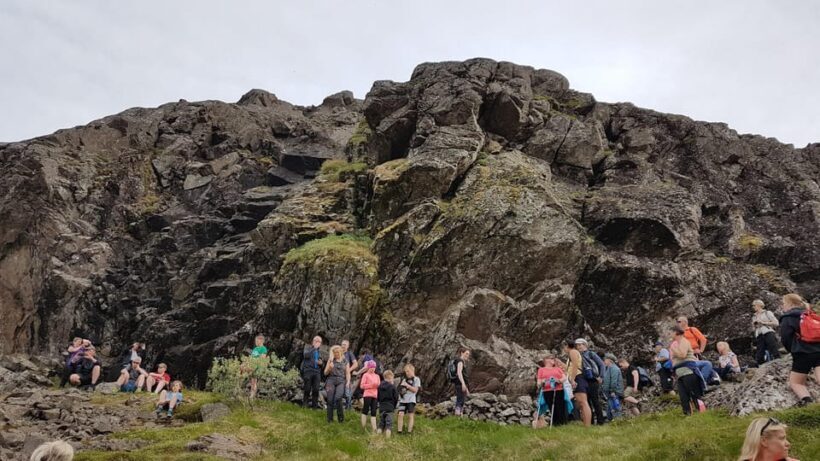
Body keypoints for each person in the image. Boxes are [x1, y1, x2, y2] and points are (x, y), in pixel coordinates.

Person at [779, 293, 820, 406]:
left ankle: (808, 402)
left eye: (783, 303)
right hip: (818, 350)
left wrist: (792, 349)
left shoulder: (788, 317)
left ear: (789, 304)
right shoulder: (809, 314)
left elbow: (785, 338)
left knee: (796, 382)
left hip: (802, 353)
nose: (782, 306)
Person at [670, 326, 703, 415]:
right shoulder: (677, 343)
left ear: (676, 332)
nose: (670, 334)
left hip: (688, 371)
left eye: (671, 332)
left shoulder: (684, 341)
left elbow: (683, 355)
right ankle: (688, 415)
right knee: (683, 396)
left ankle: (702, 412)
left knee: (694, 394)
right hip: (680, 373)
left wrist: (673, 349)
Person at [575, 338, 606, 425]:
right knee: (587, 402)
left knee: (595, 401)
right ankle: (590, 422)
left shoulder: (591, 354)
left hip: (593, 380)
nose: (579, 346)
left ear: (585, 345)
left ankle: (600, 422)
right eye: (578, 345)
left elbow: (601, 364)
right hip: (583, 380)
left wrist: (601, 377)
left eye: (581, 344)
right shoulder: (577, 356)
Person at [563, 340, 591, 427]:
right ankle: (586, 424)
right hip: (577, 378)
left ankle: (587, 425)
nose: (563, 349)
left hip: (578, 377)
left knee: (583, 402)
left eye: (564, 347)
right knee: (580, 402)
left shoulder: (573, 352)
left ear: (567, 346)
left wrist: (573, 380)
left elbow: (575, 365)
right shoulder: (573, 353)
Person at [536, 355, 568, 427]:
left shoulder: (557, 369)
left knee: (560, 406)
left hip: (559, 389)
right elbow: (538, 382)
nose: (554, 360)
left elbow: (564, 377)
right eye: (552, 358)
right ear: (546, 360)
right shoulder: (541, 370)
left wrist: (559, 380)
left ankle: (562, 423)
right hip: (547, 390)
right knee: (552, 406)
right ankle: (555, 423)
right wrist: (542, 382)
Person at [323, 345, 350, 423]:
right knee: (330, 400)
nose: (336, 355)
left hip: (341, 381)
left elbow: (347, 373)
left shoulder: (346, 361)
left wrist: (348, 382)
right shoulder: (331, 360)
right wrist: (329, 368)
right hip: (331, 380)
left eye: (337, 353)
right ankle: (329, 420)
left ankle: (341, 419)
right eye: (334, 353)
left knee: (338, 398)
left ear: (341, 352)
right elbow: (325, 373)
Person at [752, 300, 782, 364]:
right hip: (759, 334)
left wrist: (763, 322)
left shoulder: (767, 313)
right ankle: (761, 367)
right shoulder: (754, 316)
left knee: (773, 348)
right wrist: (754, 325)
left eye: (754, 305)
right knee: (760, 352)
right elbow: (754, 328)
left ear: (759, 305)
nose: (753, 307)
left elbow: (776, 323)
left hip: (768, 332)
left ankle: (779, 362)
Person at [397, 363, 421, 434]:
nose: (406, 373)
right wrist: (401, 389)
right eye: (406, 371)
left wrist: (407, 386)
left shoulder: (417, 379)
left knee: (410, 415)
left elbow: (415, 390)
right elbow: (400, 388)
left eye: (408, 371)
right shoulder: (404, 379)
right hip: (403, 399)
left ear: (412, 370)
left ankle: (409, 431)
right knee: (400, 414)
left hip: (411, 400)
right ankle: (399, 431)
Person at [301, 336, 323, 409]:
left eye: (319, 342)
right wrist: (314, 348)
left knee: (316, 389)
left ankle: (314, 407)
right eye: (316, 341)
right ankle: (305, 405)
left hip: (317, 372)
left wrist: (321, 363)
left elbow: (322, 363)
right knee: (307, 388)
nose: (318, 343)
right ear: (313, 341)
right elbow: (305, 355)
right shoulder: (308, 348)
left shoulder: (320, 352)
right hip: (308, 370)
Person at [601, 353, 623, 421]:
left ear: (610, 360)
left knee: (615, 407)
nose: (604, 361)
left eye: (605, 360)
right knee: (610, 408)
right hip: (609, 392)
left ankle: (618, 421)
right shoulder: (609, 368)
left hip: (613, 392)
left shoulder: (614, 369)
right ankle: (611, 420)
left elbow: (614, 381)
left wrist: (613, 391)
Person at [359, 360, 380, 431]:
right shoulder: (365, 375)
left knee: (374, 411)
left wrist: (377, 386)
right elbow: (361, 386)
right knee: (365, 410)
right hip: (367, 395)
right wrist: (371, 385)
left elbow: (378, 385)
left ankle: (374, 428)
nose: (373, 369)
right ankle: (363, 427)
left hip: (375, 395)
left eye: (374, 367)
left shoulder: (377, 376)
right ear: (368, 367)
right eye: (371, 367)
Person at [377, 369, 399, 437]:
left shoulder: (379, 386)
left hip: (382, 407)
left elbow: (378, 397)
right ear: (390, 377)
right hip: (390, 407)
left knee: (381, 423)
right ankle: (387, 440)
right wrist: (394, 406)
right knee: (389, 424)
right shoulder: (392, 387)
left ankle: (377, 438)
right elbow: (396, 397)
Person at [450, 347, 471, 416]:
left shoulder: (459, 361)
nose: (467, 355)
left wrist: (466, 388)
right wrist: (463, 384)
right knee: (460, 399)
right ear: (462, 353)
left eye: (468, 354)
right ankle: (457, 414)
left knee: (461, 399)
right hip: (460, 384)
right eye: (466, 353)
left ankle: (460, 415)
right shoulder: (460, 361)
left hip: (460, 383)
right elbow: (459, 372)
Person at [248, 334, 268, 399]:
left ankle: (252, 396)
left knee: (254, 381)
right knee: (252, 381)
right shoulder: (255, 349)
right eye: (255, 341)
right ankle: (251, 394)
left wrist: (257, 366)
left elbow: (262, 358)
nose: (255, 342)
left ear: (261, 341)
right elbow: (251, 357)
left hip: (257, 367)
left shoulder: (263, 349)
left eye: (257, 341)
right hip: (252, 366)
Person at [341, 339, 358, 410]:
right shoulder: (338, 352)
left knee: (347, 393)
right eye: (342, 344)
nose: (343, 346)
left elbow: (356, 364)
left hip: (347, 377)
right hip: (338, 375)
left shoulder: (349, 354)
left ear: (348, 346)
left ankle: (348, 409)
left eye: (345, 345)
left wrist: (349, 370)